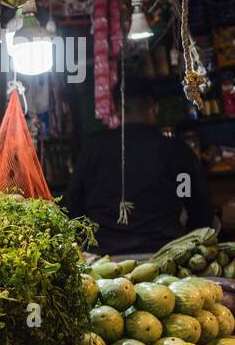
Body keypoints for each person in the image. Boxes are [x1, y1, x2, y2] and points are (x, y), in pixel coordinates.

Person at [64, 80, 213, 255]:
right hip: (164, 257)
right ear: (154, 109)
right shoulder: (176, 151)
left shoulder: (93, 150)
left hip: (104, 260)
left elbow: (73, 202)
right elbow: (196, 202)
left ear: (118, 111)